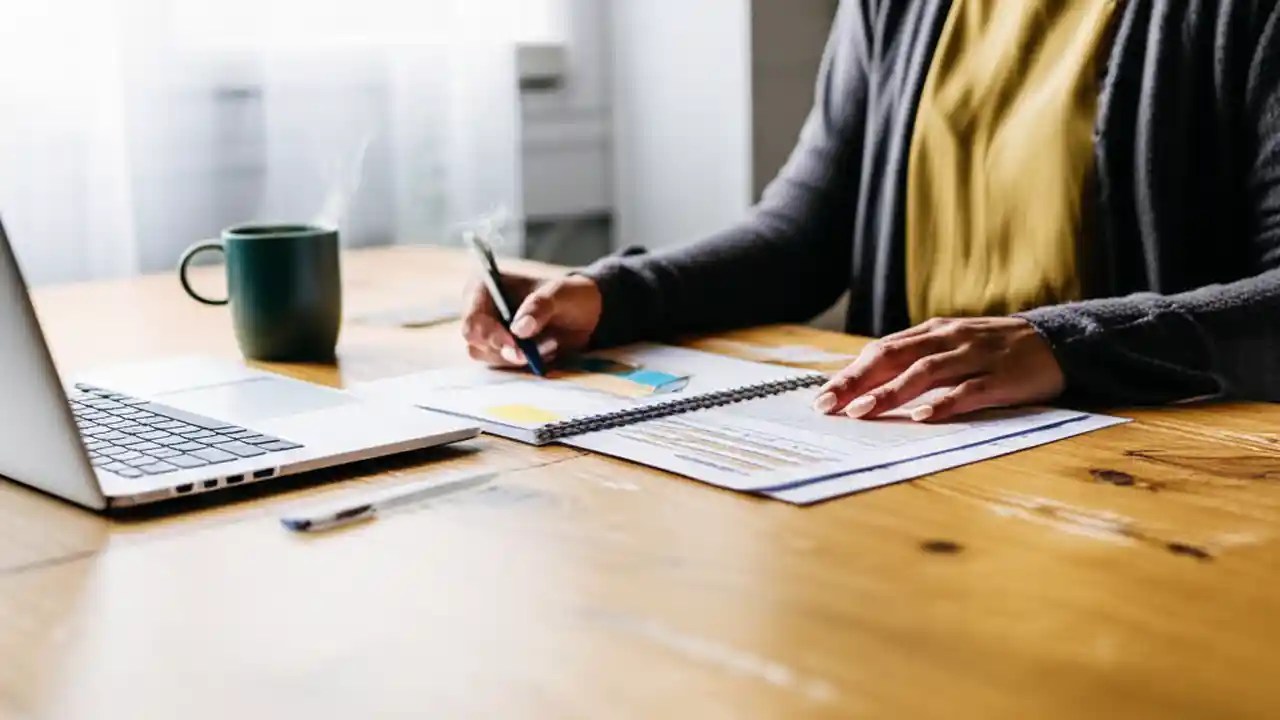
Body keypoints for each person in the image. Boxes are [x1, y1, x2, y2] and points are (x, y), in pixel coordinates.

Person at [463, 0, 1280, 422]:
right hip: (911, 446)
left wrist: (1060, 344)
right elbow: (805, 233)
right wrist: (617, 295)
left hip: (1151, 466)